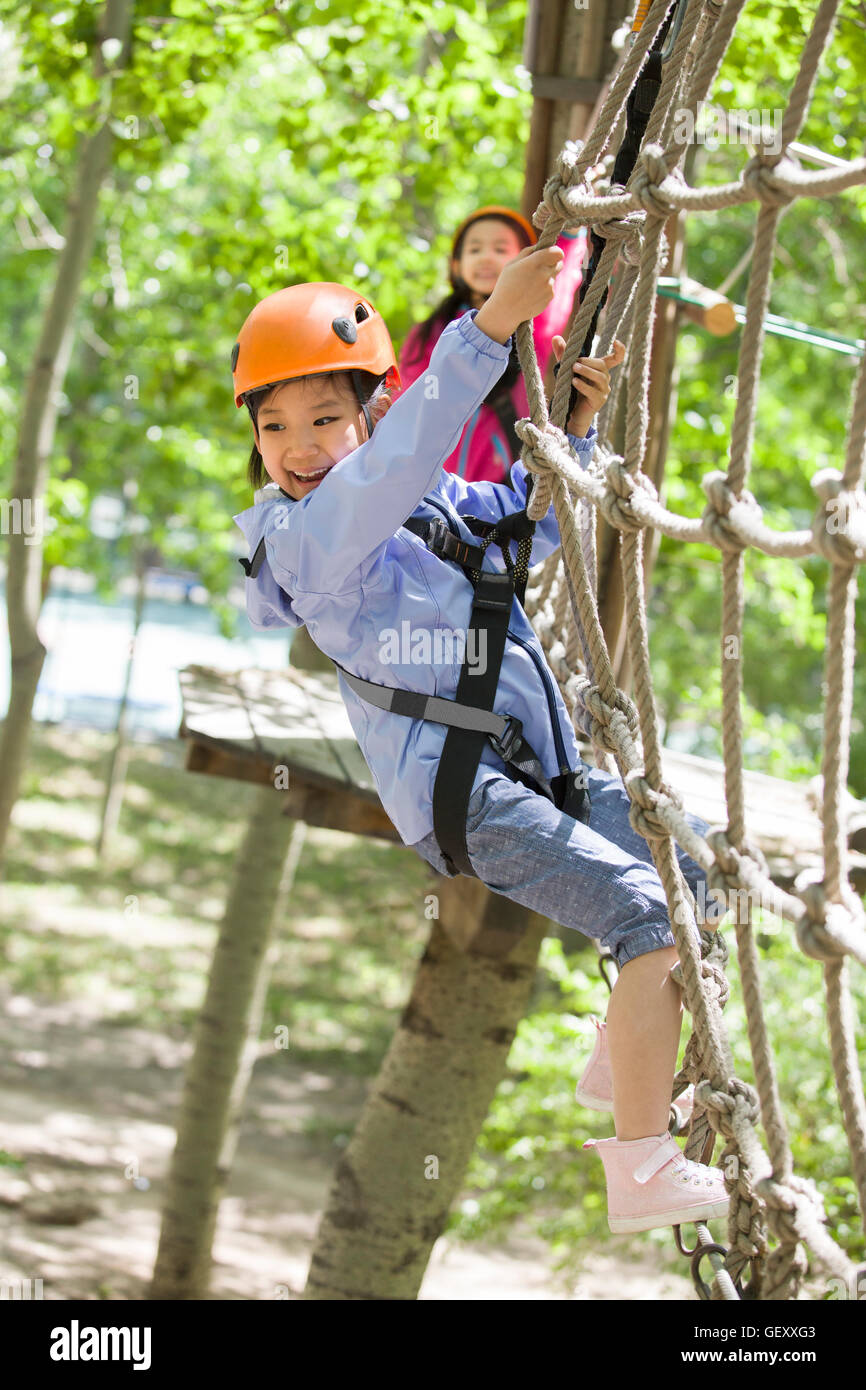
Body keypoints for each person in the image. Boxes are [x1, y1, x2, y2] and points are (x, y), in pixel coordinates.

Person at [230, 252, 729, 1235]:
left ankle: (616, 1058)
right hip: (465, 793)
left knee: (696, 872)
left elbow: (517, 532)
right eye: (272, 424)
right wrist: (487, 332)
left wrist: (572, 437)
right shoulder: (309, 540)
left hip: (538, 767)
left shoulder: (420, 509)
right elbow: (399, 456)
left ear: (364, 415)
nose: (296, 445)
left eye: (325, 418)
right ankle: (637, 1170)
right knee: (644, 914)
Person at [398, 205, 587, 484]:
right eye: (475, 250)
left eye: (500, 250)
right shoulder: (431, 333)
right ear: (456, 265)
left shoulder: (532, 325)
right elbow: (409, 403)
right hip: (435, 485)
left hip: (501, 489)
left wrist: (570, 230)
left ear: (524, 261)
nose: (486, 258)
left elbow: (558, 276)